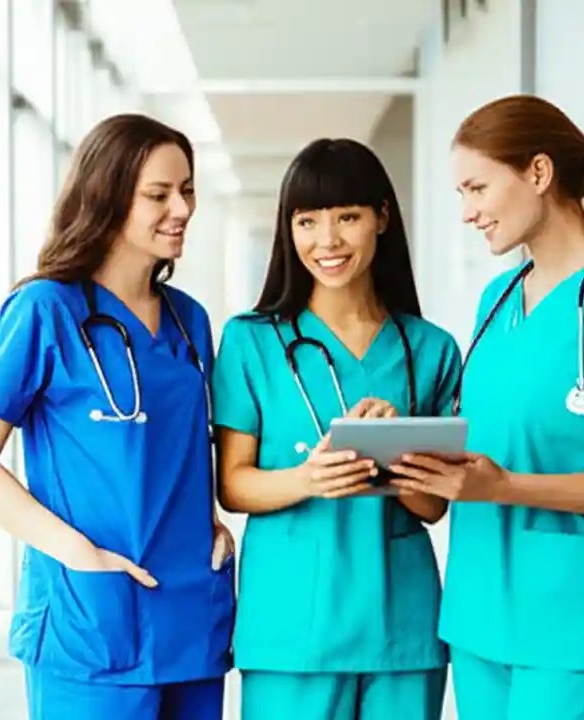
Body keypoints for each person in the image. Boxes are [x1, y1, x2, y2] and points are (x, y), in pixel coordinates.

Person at [390, 94, 584, 719]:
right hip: (479, 615)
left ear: (539, 174)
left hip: (575, 620)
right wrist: (408, 446)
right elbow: (493, 441)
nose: (467, 212)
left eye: (476, 188)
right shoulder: (496, 301)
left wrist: (505, 487)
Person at [0, 113, 236, 720]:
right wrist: (76, 553)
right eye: (158, 194)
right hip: (91, 615)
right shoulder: (43, 311)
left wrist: (209, 521)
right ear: (106, 198)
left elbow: (183, 443)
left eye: (187, 190)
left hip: (188, 611)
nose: (181, 208)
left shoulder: (190, 320)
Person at [211, 138, 461, 720]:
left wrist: (400, 450)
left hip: (400, 623)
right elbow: (233, 485)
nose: (328, 240)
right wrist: (307, 478)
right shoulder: (253, 341)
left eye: (347, 216)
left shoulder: (429, 349)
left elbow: (431, 508)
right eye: (308, 221)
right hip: (292, 627)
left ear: (382, 217)